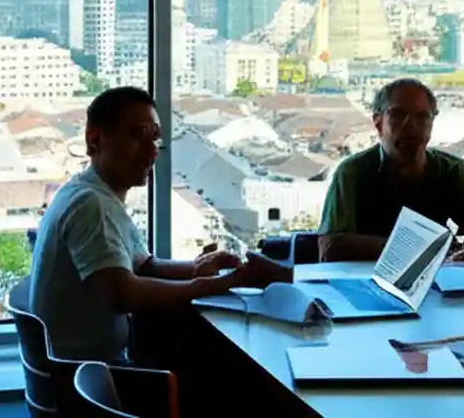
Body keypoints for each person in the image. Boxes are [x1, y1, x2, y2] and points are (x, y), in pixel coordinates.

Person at [30, 86, 288, 362]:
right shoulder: (90, 205)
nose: (152, 151)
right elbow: (122, 294)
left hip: (93, 370)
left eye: (155, 138)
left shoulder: (93, 193)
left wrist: (200, 268)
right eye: (138, 135)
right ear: (94, 139)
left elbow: (145, 266)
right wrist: (219, 284)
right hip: (90, 382)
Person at [317, 78, 464, 263]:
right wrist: (421, 248)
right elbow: (331, 247)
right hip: (362, 284)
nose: (411, 127)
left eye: (422, 117)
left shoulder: (450, 171)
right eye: (398, 115)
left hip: (431, 284)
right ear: (378, 123)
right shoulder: (352, 172)